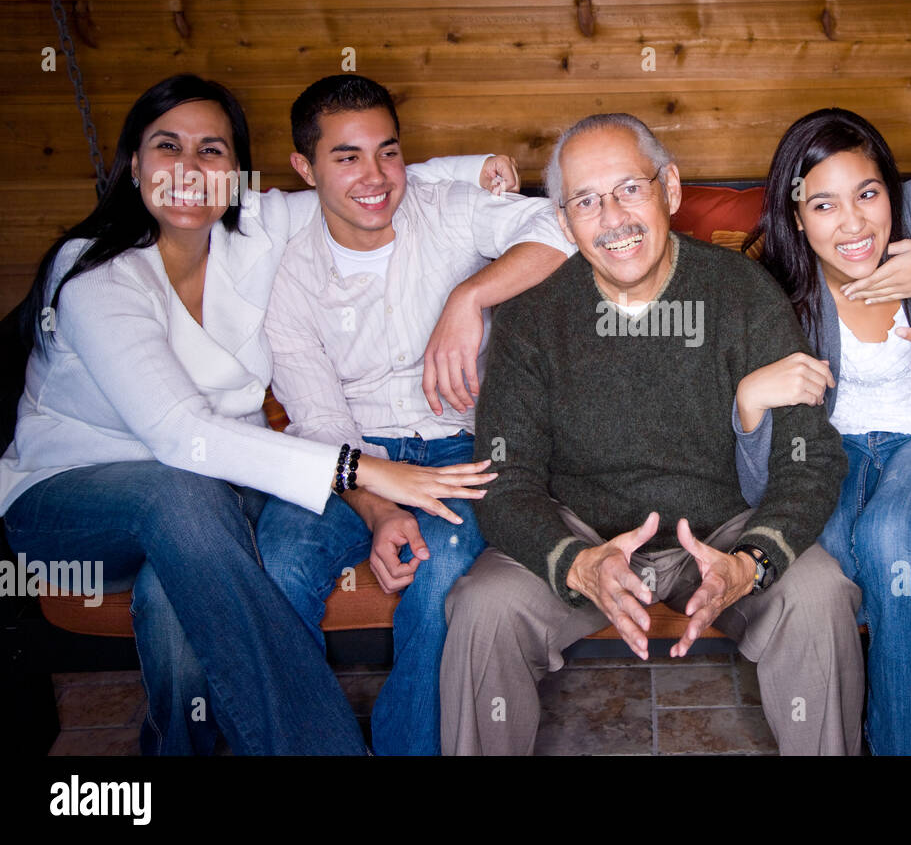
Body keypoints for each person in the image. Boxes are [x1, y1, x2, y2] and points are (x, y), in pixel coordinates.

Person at [0, 74, 503, 755]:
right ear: (133, 163)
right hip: (72, 504)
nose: (188, 169)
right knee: (175, 495)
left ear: (235, 173)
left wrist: (474, 170)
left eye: (211, 151)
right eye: (166, 147)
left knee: (175, 601)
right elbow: (180, 437)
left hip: (206, 507)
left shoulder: (256, 229)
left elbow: (363, 177)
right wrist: (367, 473)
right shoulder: (93, 275)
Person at [440, 112, 864, 755]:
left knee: (820, 593)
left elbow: (808, 458)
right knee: (482, 608)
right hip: (583, 530)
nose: (612, 218)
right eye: (586, 200)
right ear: (563, 221)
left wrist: (749, 565)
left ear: (669, 189)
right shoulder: (530, 317)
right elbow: (507, 478)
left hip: (723, 529)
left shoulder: (743, 294)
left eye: (629, 190)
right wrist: (578, 564)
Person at [255, 74, 572, 755]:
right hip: (349, 453)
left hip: (458, 444)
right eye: (347, 158)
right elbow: (317, 419)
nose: (375, 177)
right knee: (278, 561)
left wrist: (468, 296)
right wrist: (376, 503)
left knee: (443, 567)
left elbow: (561, 229)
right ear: (306, 169)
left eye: (388, 153)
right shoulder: (287, 271)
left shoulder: (448, 207)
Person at [734, 107, 911, 755]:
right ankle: (851, 719)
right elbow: (762, 480)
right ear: (798, 217)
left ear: (890, 188)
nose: (856, 223)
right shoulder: (772, 294)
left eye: (867, 194)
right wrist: (752, 398)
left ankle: (896, 743)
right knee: (832, 545)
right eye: (825, 205)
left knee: (891, 536)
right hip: (832, 449)